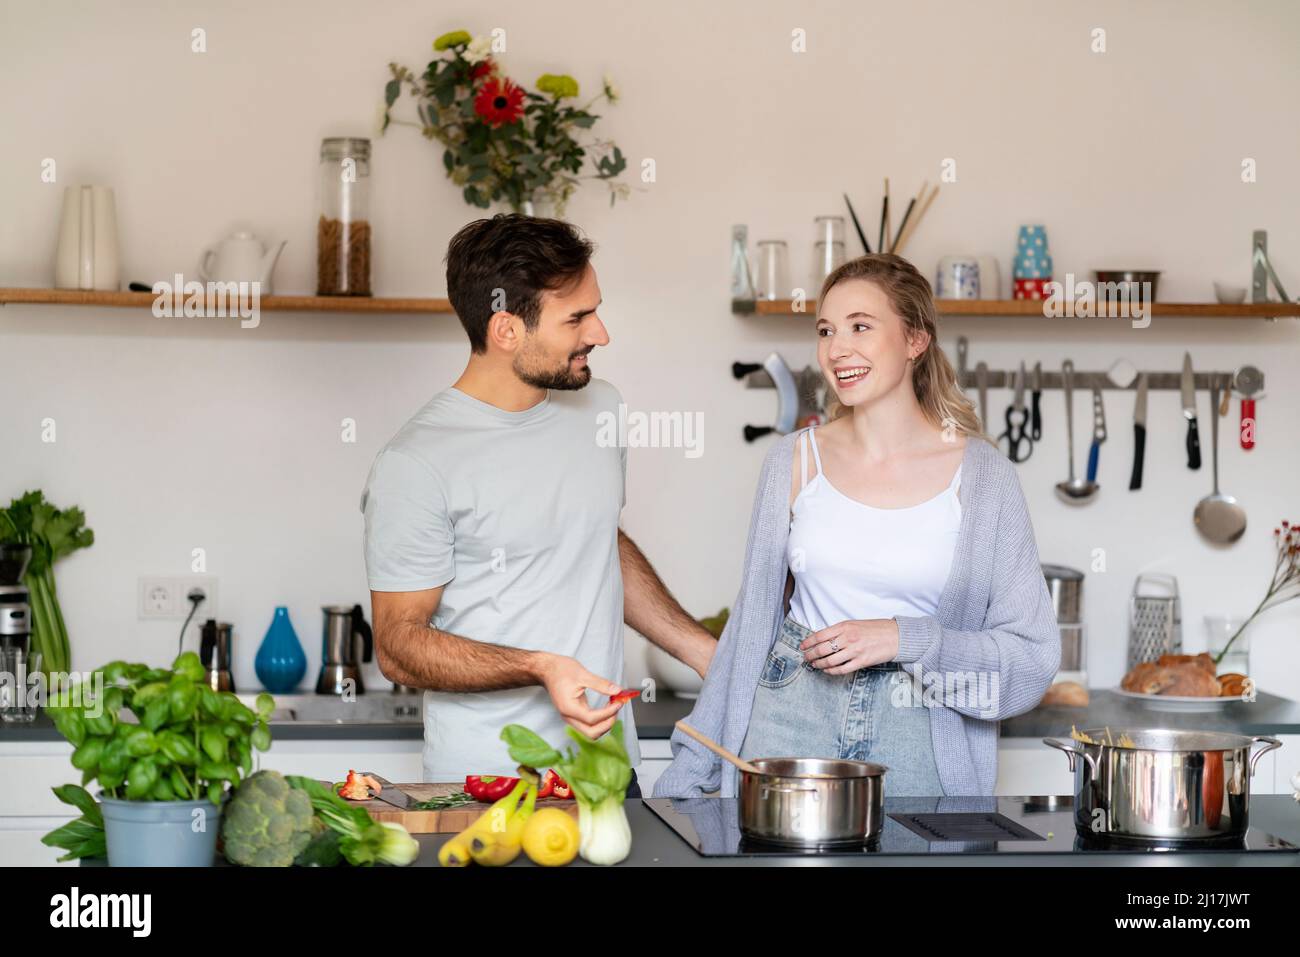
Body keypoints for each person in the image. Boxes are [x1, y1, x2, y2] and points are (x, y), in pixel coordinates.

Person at [653, 254, 1060, 799]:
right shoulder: (792, 461)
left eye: (860, 327)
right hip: (788, 718)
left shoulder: (984, 478)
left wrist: (904, 638)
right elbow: (749, 631)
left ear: (915, 339)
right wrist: (690, 768)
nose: (836, 349)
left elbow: (1031, 660)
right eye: (826, 330)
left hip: (921, 732)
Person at [361, 214, 716, 798]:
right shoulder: (415, 463)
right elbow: (399, 647)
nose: (600, 334)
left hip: (607, 770)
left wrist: (701, 649)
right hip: (488, 783)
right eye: (576, 317)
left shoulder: (601, 408)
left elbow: (595, 541)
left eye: (595, 309)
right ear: (506, 330)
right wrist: (540, 665)